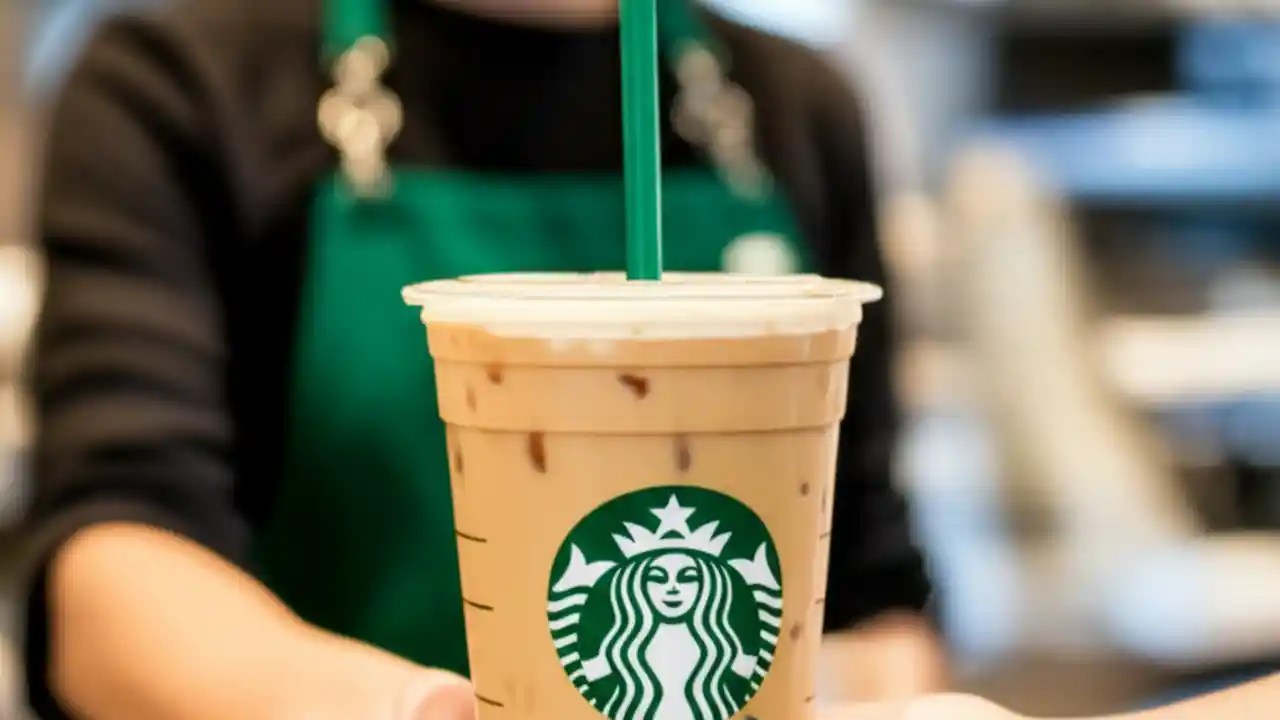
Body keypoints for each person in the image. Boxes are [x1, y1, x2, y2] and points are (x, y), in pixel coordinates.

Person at [18, 0, 945, 718]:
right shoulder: (184, 81)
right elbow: (110, 570)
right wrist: (418, 711)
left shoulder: (797, 110)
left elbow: (868, 584)